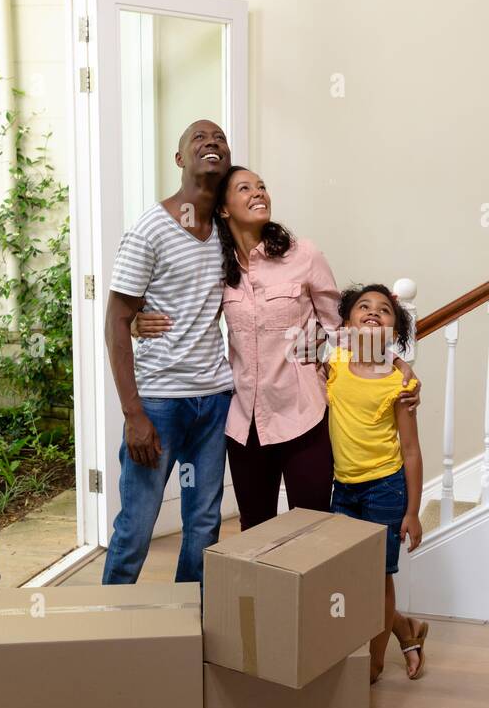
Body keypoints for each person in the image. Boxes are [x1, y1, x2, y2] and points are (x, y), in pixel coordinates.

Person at [134, 165, 419, 533]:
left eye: (262, 187)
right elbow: (186, 316)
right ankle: (262, 595)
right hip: (243, 421)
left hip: (304, 414)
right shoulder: (216, 266)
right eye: (244, 188)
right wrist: (134, 322)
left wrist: (392, 362)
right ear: (223, 208)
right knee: (255, 529)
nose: (258, 193)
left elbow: (339, 327)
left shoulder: (305, 255)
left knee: (313, 527)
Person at [100, 119, 234, 585]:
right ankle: (108, 624)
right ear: (180, 159)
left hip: (215, 401)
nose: (211, 142)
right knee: (136, 526)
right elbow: (117, 321)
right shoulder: (150, 230)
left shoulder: (228, 232)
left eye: (219, 138)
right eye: (199, 138)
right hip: (159, 405)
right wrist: (133, 413)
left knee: (203, 524)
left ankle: (186, 625)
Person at [326, 284, 428, 683]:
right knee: (348, 578)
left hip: (385, 489)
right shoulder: (333, 364)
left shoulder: (399, 385)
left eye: (383, 310)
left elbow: (412, 451)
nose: (372, 313)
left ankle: (375, 661)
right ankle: (405, 628)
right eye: (363, 307)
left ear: (394, 329)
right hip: (343, 488)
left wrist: (413, 511)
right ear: (347, 323)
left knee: (379, 577)